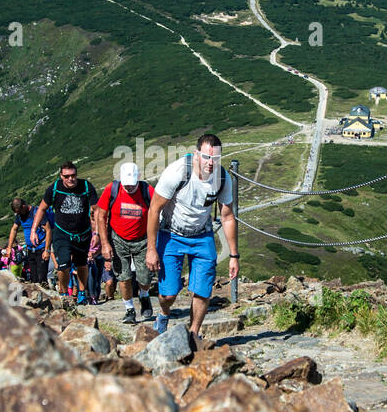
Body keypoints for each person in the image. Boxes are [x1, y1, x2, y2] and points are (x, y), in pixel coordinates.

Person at [145, 135, 238, 340]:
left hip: (202, 236)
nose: (211, 163)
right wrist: (151, 249)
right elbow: (154, 209)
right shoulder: (177, 172)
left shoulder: (222, 178)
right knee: (168, 294)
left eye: (216, 158)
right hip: (171, 234)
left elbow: (227, 216)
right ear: (196, 154)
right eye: (206, 157)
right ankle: (164, 313)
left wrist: (233, 255)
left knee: (202, 291)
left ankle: (193, 334)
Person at [96, 161, 157, 324]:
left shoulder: (147, 190)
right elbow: (100, 215)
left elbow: (156, 214)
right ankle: (129, 309)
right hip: (118, 239)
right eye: (126, 184)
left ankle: (144, 296)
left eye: (132, 184)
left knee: (144, 277)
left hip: (142, 239)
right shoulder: (112, 189)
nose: (129, 188)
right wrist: (104, 243)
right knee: (124, 277)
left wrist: (153, 245)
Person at [33, 162, 96, 305]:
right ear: (61, 176)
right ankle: (63, 293)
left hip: (83, 232)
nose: (70, 179)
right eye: (67, 176)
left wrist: (96, 233)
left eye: (73, 175)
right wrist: (33, 230)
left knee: (82, 264)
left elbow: (96, 210)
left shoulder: (86, 186)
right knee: (64, 265)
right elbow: (42, 209)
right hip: (62, 232)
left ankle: (81, 293)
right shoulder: (54, 188)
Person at [8, 198, 52, 284]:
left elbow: (48, 230)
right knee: (33, 279)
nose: (18, 214)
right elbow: (14, 229)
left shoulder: (37, 212)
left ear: (24, 207)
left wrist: (47, 250)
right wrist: (9, 247)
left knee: (42, 279)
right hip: (30, 250)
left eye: (19, 212)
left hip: (41, 249)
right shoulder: (19, 215)